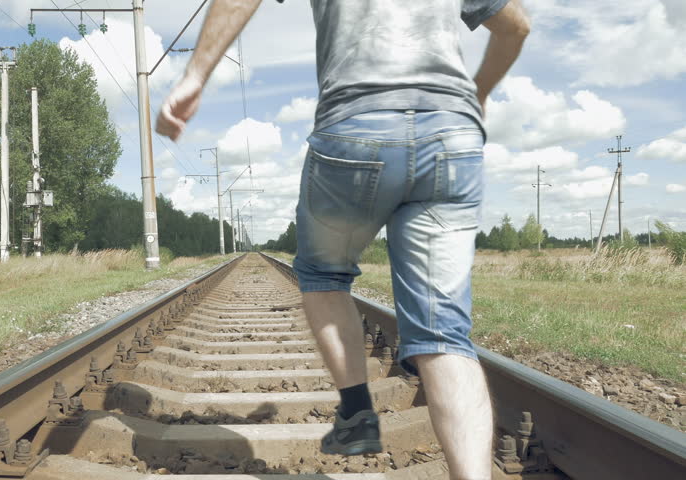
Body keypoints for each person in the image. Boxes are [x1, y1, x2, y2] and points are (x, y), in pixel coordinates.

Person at [156, 1, 530, 478]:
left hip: (358, 120)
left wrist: (195, 75)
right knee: (444, 334)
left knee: (323, 276)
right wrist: (476, 94)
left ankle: (356, 414)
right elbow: (515, 27)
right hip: (452, 135)